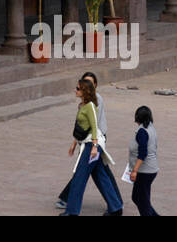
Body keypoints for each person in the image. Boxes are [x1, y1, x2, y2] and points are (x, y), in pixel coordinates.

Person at [55, 71, 117, 212]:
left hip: (92, 143)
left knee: (80, 176)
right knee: (100, 174)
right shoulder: (83, 105)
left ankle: (71, 211)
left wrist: (95, 146)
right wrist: (74, 143)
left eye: (78, 88)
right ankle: (116, 206)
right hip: (86, 142)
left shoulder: (91, 105)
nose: (75, 90)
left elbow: (95, 127)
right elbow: (80, 128)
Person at [128, 105, 159, 216]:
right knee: (137, 197)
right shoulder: (151, 127)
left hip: (144, 171)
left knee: (143, 202)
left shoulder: (142, 132)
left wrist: (135, 171)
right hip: (151, 169)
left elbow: (143, 153)